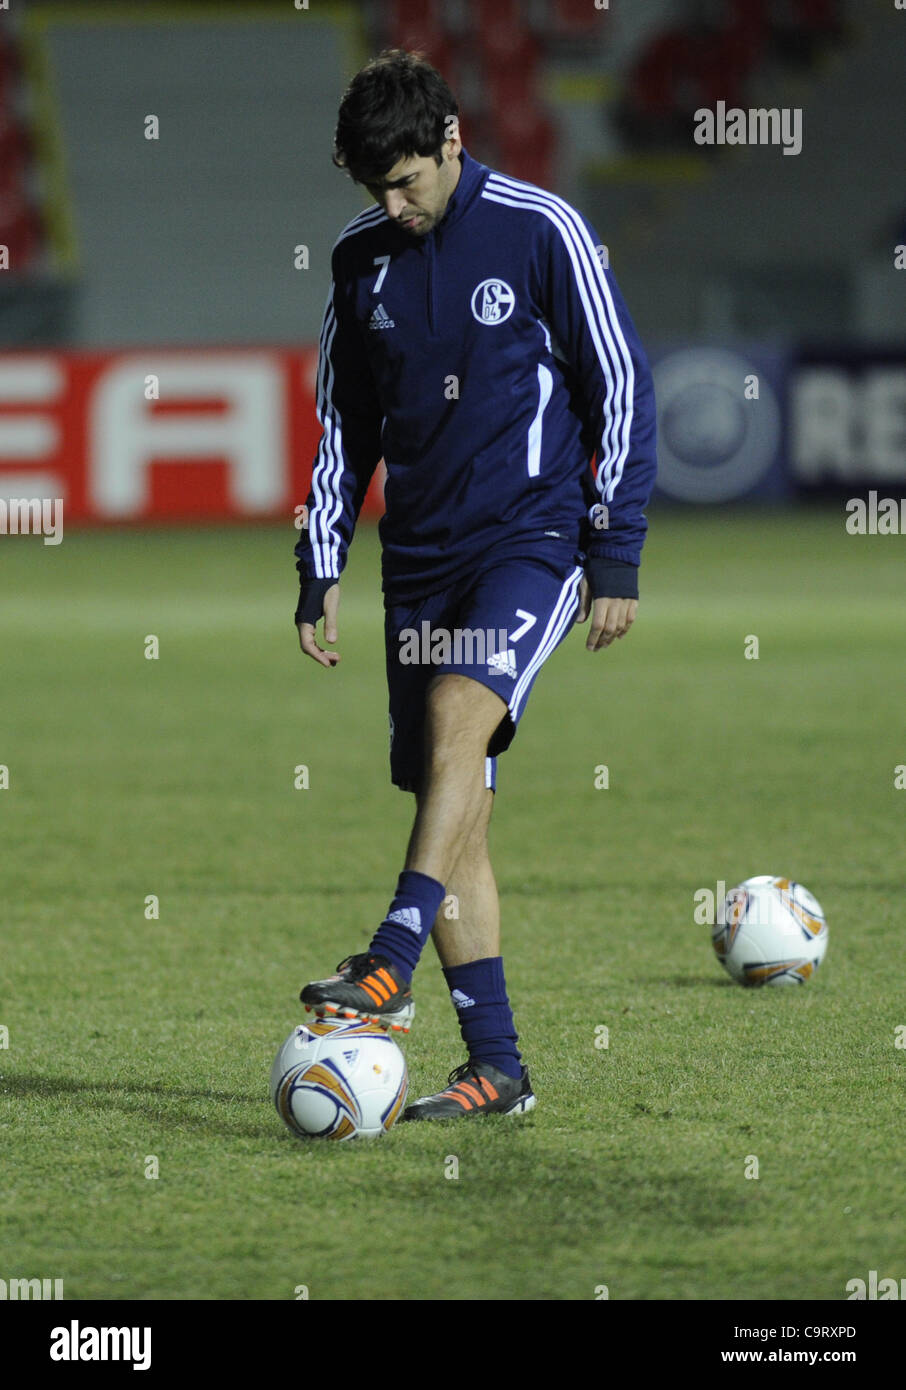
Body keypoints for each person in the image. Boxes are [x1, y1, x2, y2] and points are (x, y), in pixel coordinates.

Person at [294, 49, 656, 1121]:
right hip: (420, 558)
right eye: (376, 190)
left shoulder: (543, 230)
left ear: (454, 140)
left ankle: (390, 956)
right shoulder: (360, 259)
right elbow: (341, 426)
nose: (393, 206)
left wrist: (614, 548)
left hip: (530, 538)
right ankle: (498, 1066)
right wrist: (321, 564)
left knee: (462, 712)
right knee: (460, 816)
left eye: (407, 181)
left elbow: (620, 384)